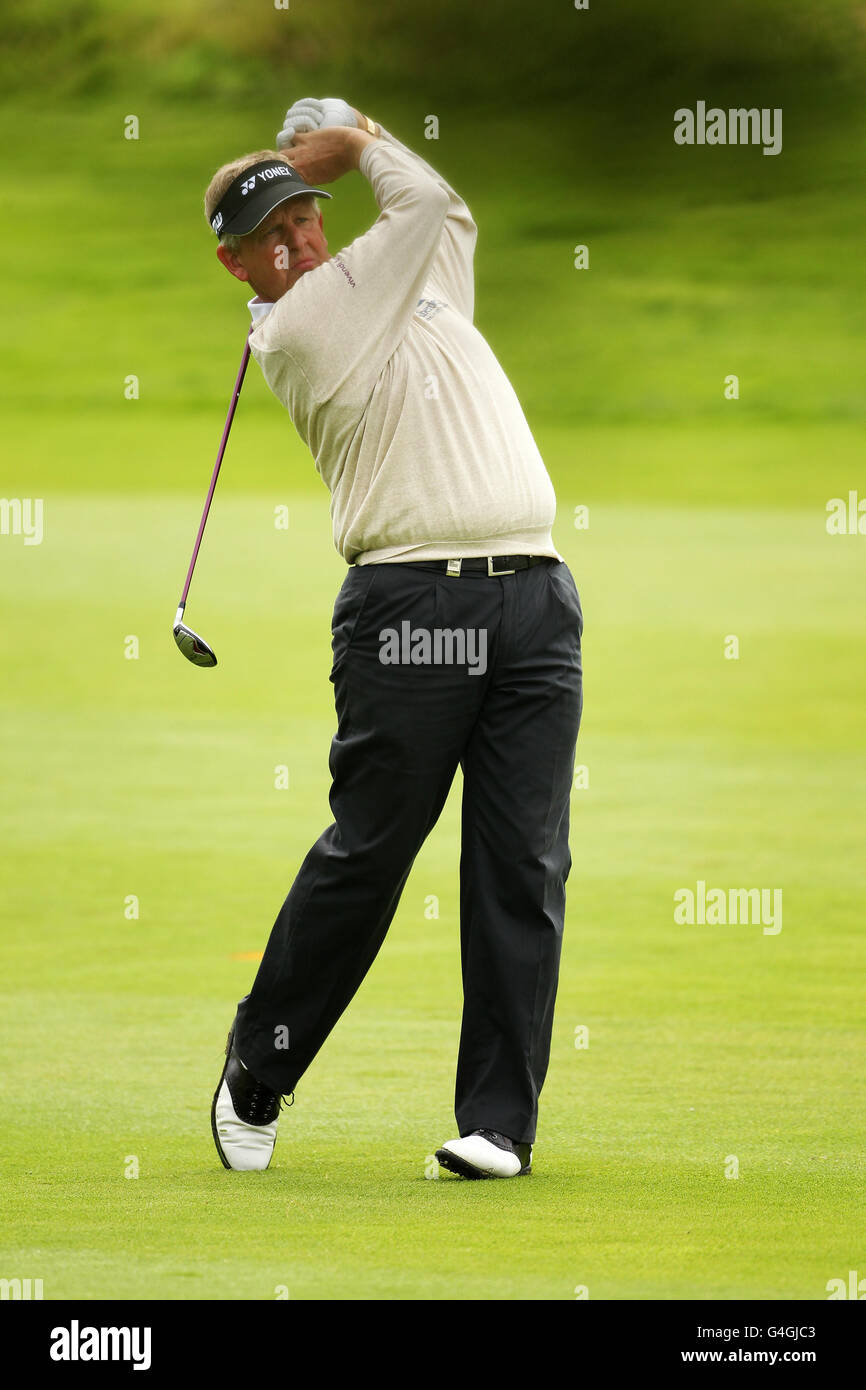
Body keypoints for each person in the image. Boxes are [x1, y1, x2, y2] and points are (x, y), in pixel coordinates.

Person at [206, 97, 583, 1179]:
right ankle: (256, 1070)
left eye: (306, 217)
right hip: (409, 609)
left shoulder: (404, 287)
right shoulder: (301, 326)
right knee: (371, 854)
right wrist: (360, 138)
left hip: (532, 593)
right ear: (241, 267)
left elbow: (446, 217)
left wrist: (358, 143)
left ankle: (497, 1124)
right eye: (274, 236)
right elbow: (419, 202)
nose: (301, 240)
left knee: (522, 862)